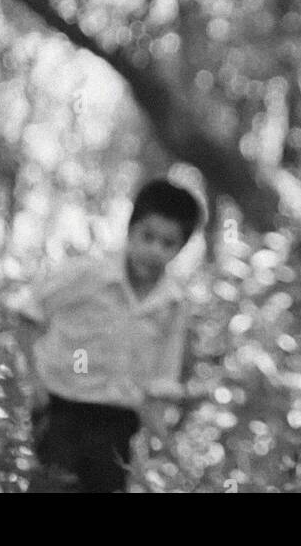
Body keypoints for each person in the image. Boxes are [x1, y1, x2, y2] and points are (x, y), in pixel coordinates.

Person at [17, 179, 203, 492]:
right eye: (147, 236)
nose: (154, 250)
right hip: (62, 407)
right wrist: (34, 380)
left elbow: (164, 374)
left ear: (181, 248)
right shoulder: (88, 274)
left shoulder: (173, 303)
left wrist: (161, 439)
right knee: (52, 485)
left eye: (168, 243)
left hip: (118, 421)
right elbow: (29, 314)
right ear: (130, 229)